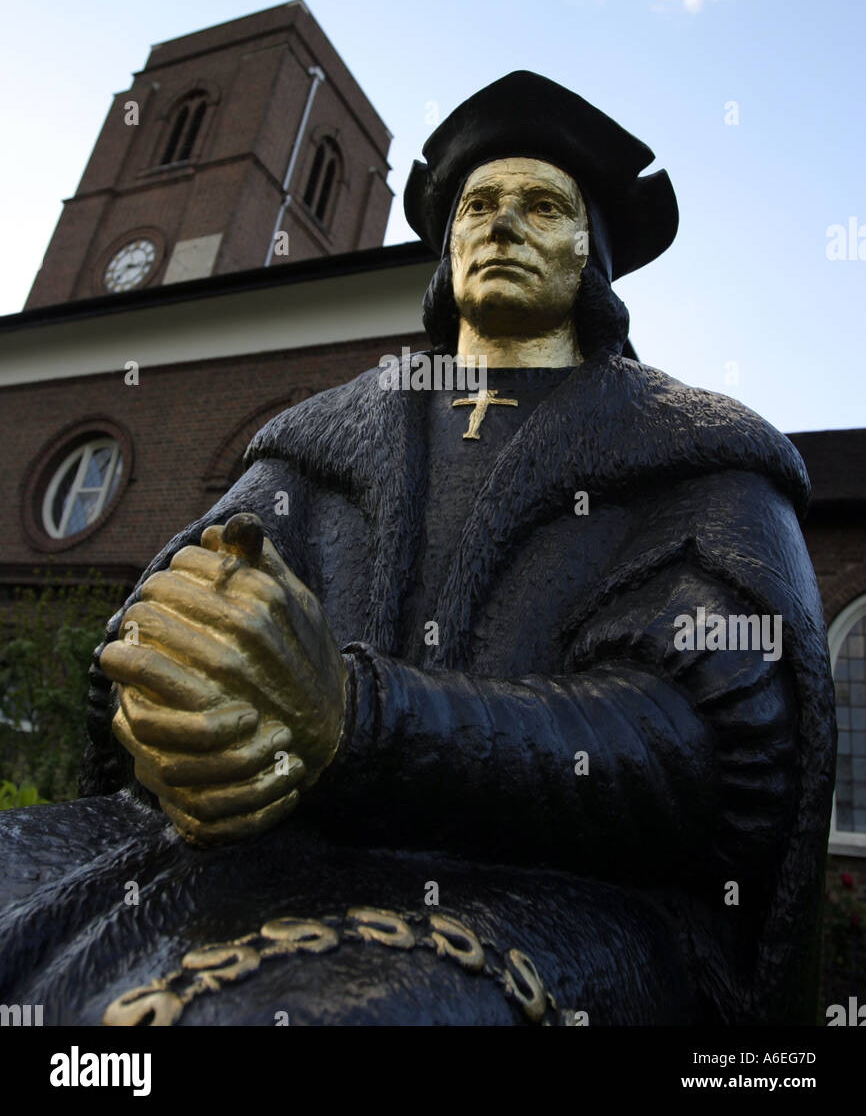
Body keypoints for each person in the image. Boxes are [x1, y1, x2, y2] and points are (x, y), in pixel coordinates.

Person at [0, 72, 834, 1027]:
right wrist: (173, 714)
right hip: (233, 845)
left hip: (572, 902)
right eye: (478, 205)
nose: (501, 225)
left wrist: (358, 723)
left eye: (542, 206)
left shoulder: (697, 455)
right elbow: (163, 617)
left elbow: (710, 751)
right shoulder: (319, 440)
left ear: (591, 252)